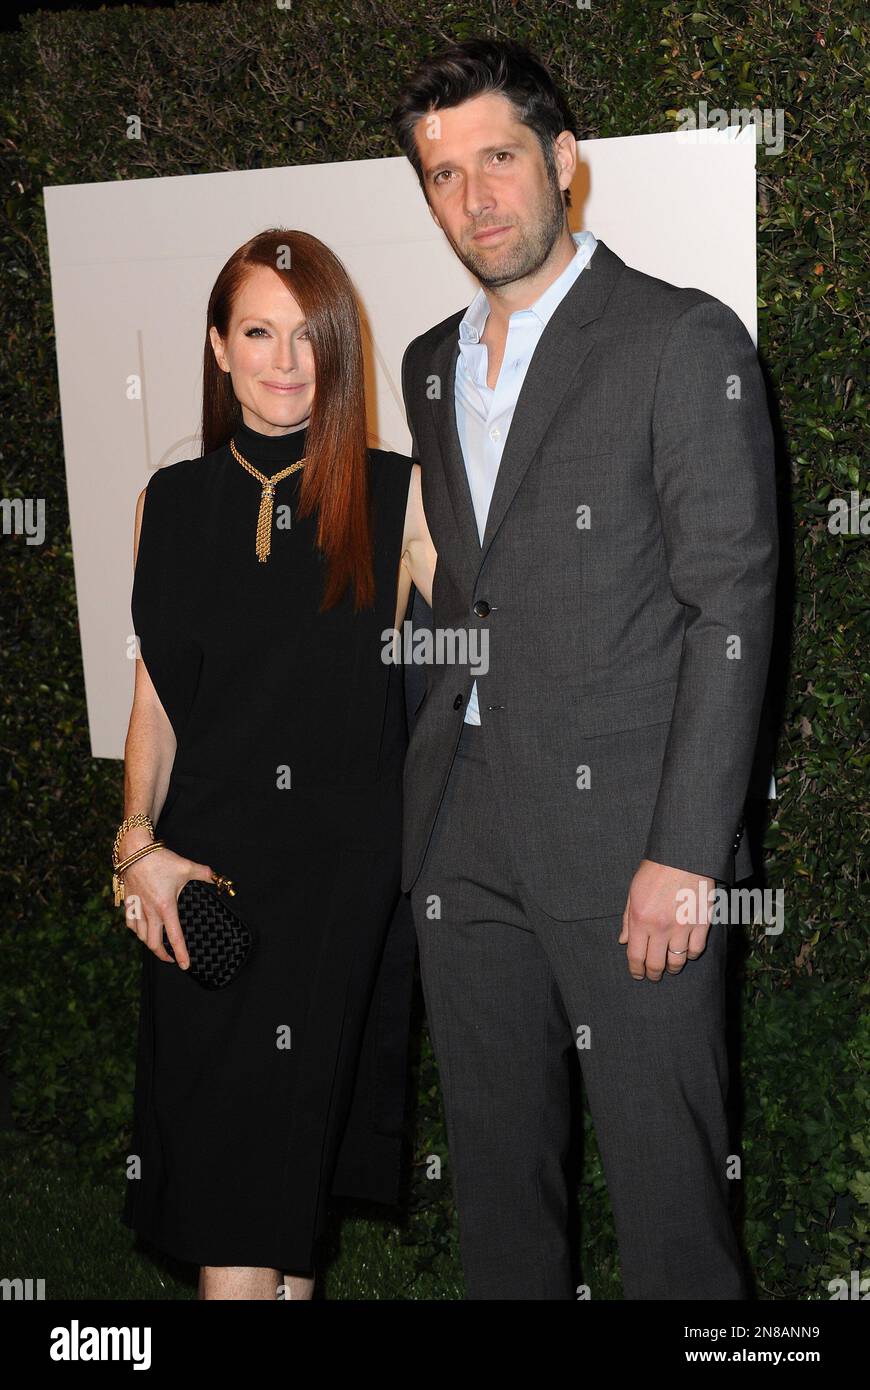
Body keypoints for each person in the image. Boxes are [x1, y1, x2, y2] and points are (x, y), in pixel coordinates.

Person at [390, 38, 778, 1299]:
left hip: (632, 844)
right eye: (442, 175)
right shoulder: (429, 364)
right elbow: (469, 583)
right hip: (468, 828)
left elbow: (732, 603)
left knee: (672, 1207)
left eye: (498, 158)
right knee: (501, 1197)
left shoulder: (678, 338)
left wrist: (687, 852)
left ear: (564, 161)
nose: (474, 199)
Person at [117, 227, 436, 1300]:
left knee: (276, 1219)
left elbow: (505, 641)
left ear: (340, 352)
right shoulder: (166, 505)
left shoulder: (401, 498)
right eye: (258, 331)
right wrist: (135, 844)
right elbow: (157, 698)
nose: (285, 359)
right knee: (235, 1202)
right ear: (218, 345)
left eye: (310, 337)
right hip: (202, 889)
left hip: (336, 895)